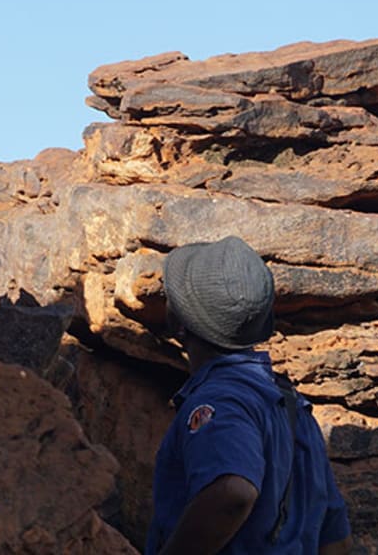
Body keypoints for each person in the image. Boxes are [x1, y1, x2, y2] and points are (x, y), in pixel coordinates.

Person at [145, 236, 353, 555]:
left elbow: (233, 494)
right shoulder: (292, 407)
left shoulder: (219, 401)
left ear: (179, 325)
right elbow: (336, 540)